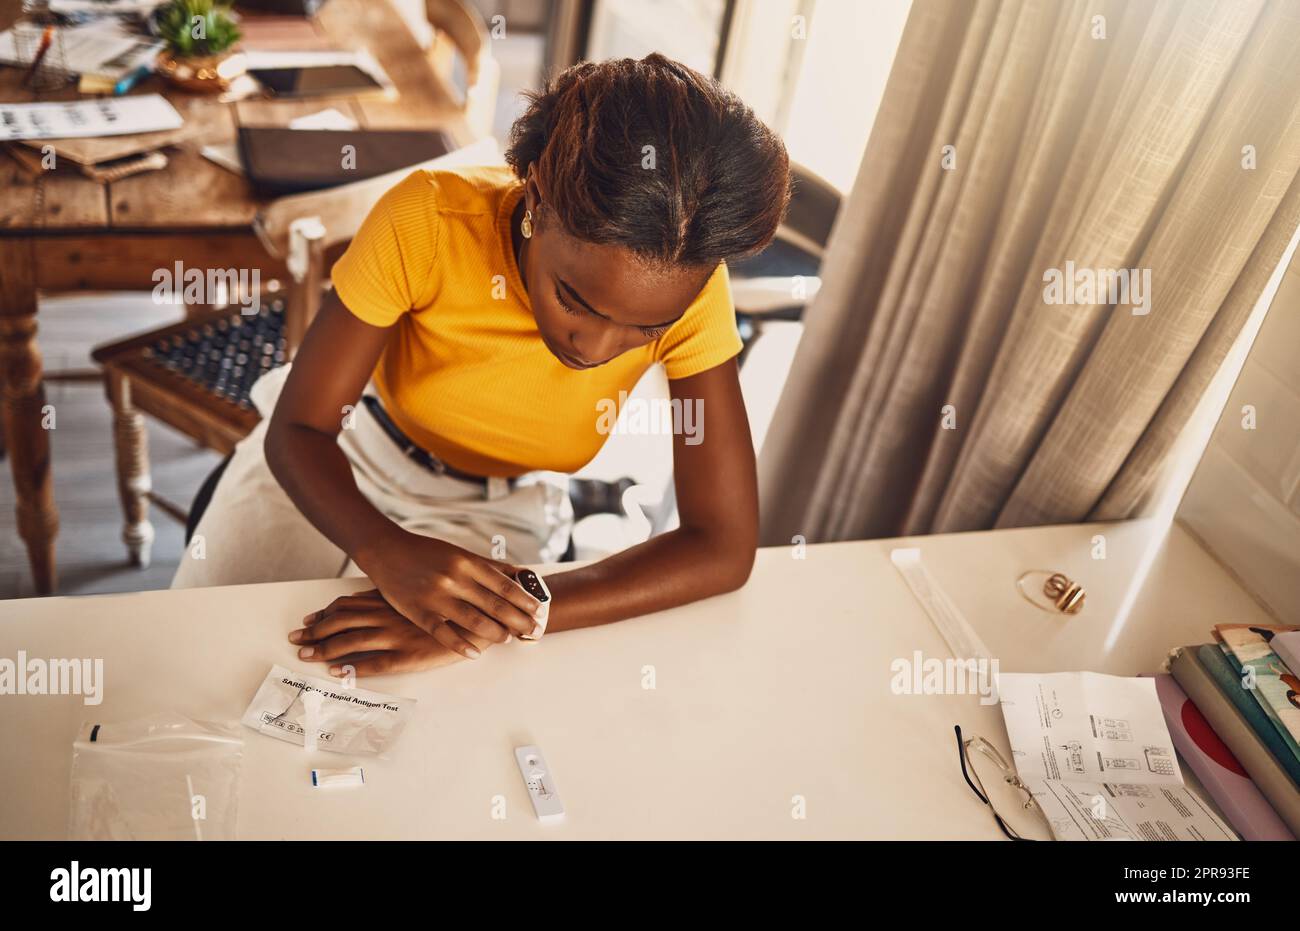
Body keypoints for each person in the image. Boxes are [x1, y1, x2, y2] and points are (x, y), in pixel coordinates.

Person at [172, 54, 791, 677]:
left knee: (421, 717)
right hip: (350, 454)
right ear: (538, 201)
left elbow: (723, 546)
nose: (597, 350)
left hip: (500, 510)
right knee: (201, 657)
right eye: (574, 300)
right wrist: (385, 549)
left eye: (647, 329)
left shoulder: (693, 289)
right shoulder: (428, 221)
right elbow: (300, 430)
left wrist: (521, 610)